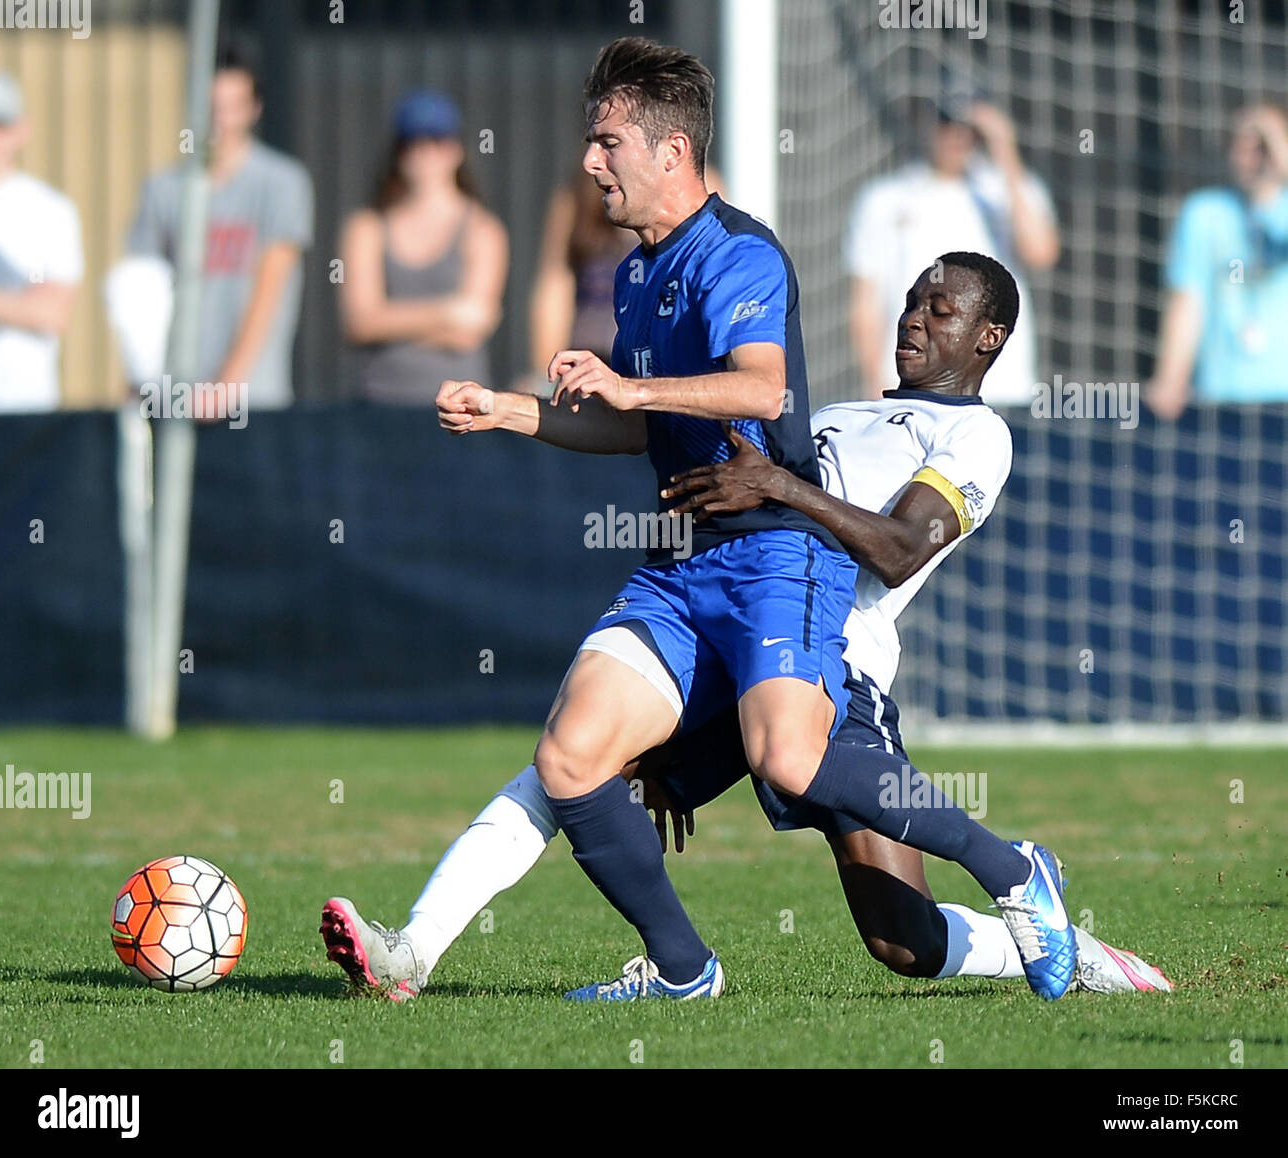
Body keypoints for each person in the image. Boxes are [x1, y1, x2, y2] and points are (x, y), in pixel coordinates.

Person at [332, 39, 1076, 1003]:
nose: (590, 162)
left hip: (780, 570)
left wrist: (648, 398)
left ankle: (1016, 873)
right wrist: (512, 409)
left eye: (605, 143)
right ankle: (665, 970)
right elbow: (636, 426)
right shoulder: (642, 275)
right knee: (570, 756)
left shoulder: (742, 254)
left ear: (669, 149)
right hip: (683, 566)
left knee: (805, 780)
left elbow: (764, 392)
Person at [320, 254, 1170, 1003]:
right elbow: (660, 444)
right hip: (737, 635)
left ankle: (1035, 896)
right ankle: (416, 951)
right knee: (571, 764)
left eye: (940, 309)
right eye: (911, 299)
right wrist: (517, 411)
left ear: (989, 338)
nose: (913, 317)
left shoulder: (974, 432)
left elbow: (903, 548)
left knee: (900, 940)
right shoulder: (835, 416)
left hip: (836, 664)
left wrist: (780, 487)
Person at [125, 46, 313, 410]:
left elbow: (271, 285)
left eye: (232, 107)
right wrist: (139, 379)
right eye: (211, 106)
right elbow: (141, 291)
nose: (220, 120)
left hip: (251, 396)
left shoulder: (282, 183)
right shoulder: (163, 188)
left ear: (253, 109)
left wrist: (228, 385)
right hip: (172, 392)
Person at [846, 94, 1058, 406]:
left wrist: (1005, 151)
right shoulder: (886, 197)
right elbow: (865, 302)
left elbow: (1041, 253)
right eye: (946, 125)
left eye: (967, 128)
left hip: (1001, 386)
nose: (957, 137)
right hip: (912, 388)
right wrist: (873, 377)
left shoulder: (1008, 190)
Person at [340, 90, 508, 406]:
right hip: (377, 402)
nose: (425, 153)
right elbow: (360, 323)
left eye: (437, 141)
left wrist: (389, 322)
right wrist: (450, 312)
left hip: (460, 410)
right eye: (413, 143)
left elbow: (468, 333)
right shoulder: (366, 227)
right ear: (398, 152)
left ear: (456, 149)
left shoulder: (483, 229)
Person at [1146, 104, 1288, 418]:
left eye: (1262, 146)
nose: (1251, 157)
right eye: (1242, 145)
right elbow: (1188, 299)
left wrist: (1281, 159)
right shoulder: (1204, 213)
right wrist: (1171, 376)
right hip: (1223, 396)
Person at [527, 163, 725, 378]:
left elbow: (717, 280)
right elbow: (557, 282)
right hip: (593, 356)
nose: (592, 157)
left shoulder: (698, 182)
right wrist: (544, 371)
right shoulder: (580, 190)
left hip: (666, 364)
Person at [0, 70, 82, 413]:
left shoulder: (49, 210)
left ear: (21, 130)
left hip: (24, 408)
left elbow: (53, 312)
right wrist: (17, 302)